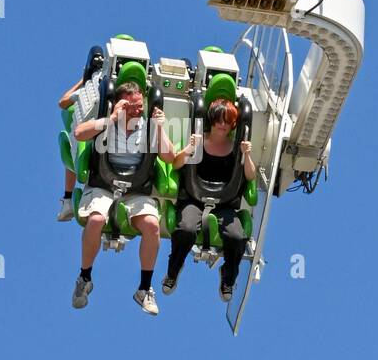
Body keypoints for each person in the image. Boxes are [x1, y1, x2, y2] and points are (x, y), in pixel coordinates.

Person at [71, 83, 176, 315]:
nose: (137, 110)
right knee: (97, 220)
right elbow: (79, 133)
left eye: (140, 106)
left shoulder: (148, 126)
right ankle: (84, 278)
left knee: (151, 225)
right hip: (104, 186)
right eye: (131, 106)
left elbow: (169, 157)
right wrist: (110, 119)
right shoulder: (109, 121)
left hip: (135, 191)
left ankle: (144, 289)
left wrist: (159, 128)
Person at [162, 98, 256, 303]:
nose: (222, 124)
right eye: (219, 119)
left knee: (236, 236)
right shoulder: (197, 141)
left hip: (224, 203)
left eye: (228, 120)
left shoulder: (236, 147)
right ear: (211, 120)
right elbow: (177, 165)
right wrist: (188, 149)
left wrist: (246, 154)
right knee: (186, 229)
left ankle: (228, 278)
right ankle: (173, 271)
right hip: (194, 199)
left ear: (233, 124)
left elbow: (250, 176)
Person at [56, 47, 104, 221]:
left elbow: (62, 102)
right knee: (70, 137)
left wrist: (84, 80)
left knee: (70, 138)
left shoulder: (88, 90)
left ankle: (68, 199)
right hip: (96, 137)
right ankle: (68, 199)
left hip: (97, 138)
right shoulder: (93, 89)